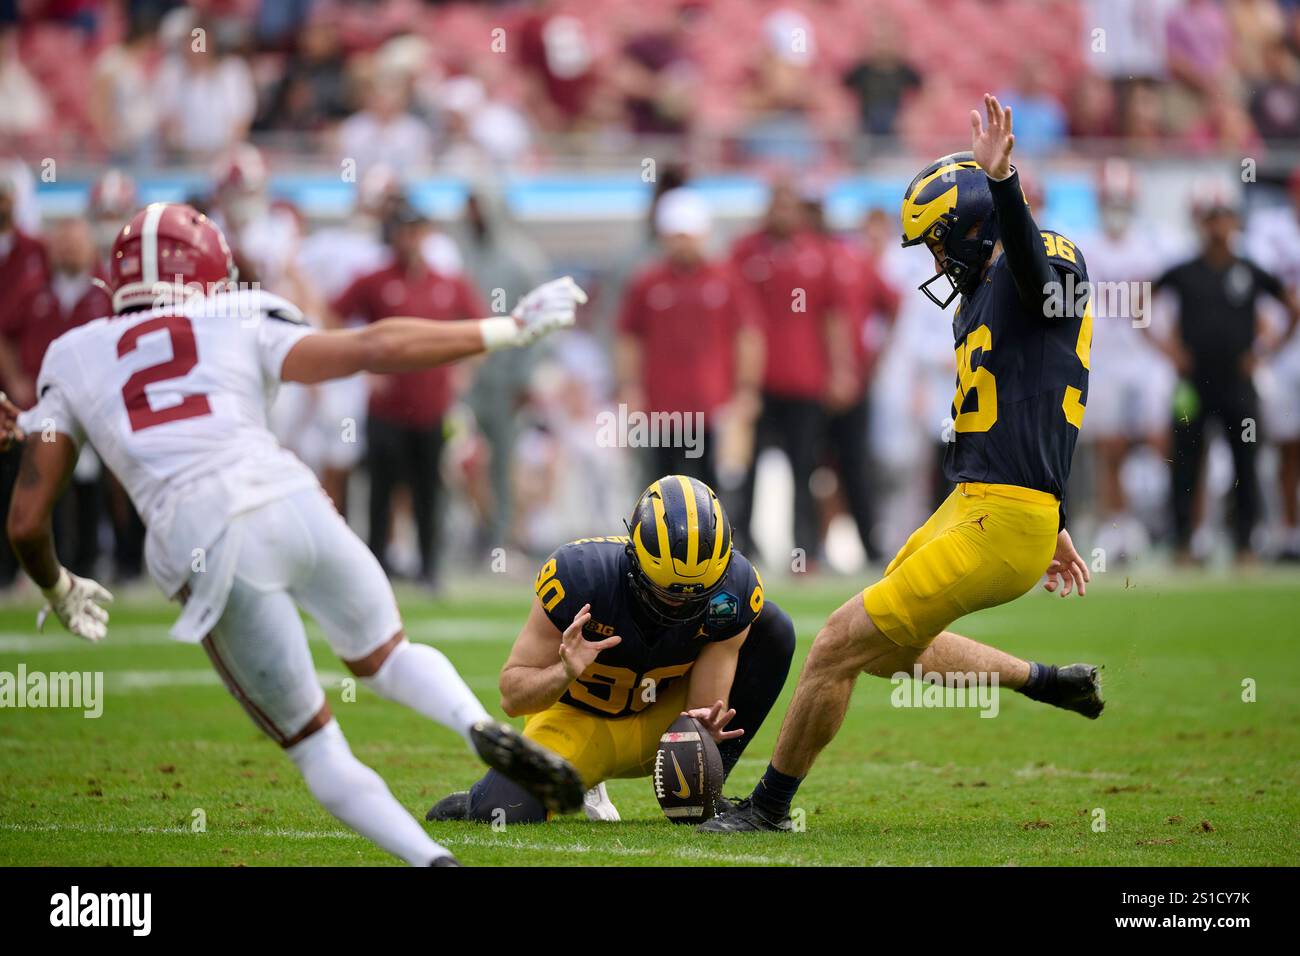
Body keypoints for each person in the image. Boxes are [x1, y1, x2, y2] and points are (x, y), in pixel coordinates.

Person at [4, 202, 589, 865]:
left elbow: (26, 521)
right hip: (289, 496)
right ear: (209, 271)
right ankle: (472, 721)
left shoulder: (74, 352)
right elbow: (374, 347)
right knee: (389, 654)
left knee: (316, 745)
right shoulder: (241, 313)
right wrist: (506, 327)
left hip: (205, 532)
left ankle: (434, 861)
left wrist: (56, 584)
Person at [702, 97, 1105, 834]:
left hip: (1003, 517)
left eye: (935, 243)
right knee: (889, 652)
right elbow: (1027, 408)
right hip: (975, 502)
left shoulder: (1055, 256)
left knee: (833, 646)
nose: (932, 261)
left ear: (970, 229)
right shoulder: (975, 298)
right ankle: (1047, 681)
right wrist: (1056, 517)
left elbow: (1046, 287)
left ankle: (767, 808)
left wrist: (1005, 182)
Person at [426, 476, 796, 824]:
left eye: (695, 595)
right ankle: (558, 780)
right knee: (501, 810)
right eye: (666, 592)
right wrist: (564, 671)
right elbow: (512, 697)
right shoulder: (580, 576)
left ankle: (712, 795)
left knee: (774, 631)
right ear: (635, 559)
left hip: (659, 722)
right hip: (576, 719)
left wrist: (702, 746)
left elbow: (699, 714)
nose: (679, 605)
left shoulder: (733, 589)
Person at [332, 199, 484, 585]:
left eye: (417, 231)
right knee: (381, 491)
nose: (411, 239)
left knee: (428, 489)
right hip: (387, 408)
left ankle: (429, 567)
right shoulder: (376, 280)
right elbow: (334, 314)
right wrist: (361, 365)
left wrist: (462, 370)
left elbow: (480, 327)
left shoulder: (446, 283)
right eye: (404, 231)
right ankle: (377, 568)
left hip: (431, 407)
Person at [1152, 187, 1300, 563]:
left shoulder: (1248, 271)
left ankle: (1244, 545)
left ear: (1234, 222)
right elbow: (1141, 299)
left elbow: (1291, 306)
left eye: (1225, 217)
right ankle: (1183, 543)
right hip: (1192, 383)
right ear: (1202, 224)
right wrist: (1168, 350)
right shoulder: (1184, 271)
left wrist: (1265, 353)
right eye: (1212, 218)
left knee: (1245, 464)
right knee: (1184, 463)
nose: (1218, 226)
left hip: (1237, 382)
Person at [616, 188, 764, 493]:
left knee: (711, 490)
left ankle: (711, 542)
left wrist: (746, 389)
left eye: (688, 235)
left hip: (711, 406)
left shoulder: (725, 280)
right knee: (660, 490)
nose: (683, 243)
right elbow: (629, 337)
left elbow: (747, 336)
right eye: (676, 235)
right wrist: (630, 386)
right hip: (662, 409)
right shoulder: (648, 282)